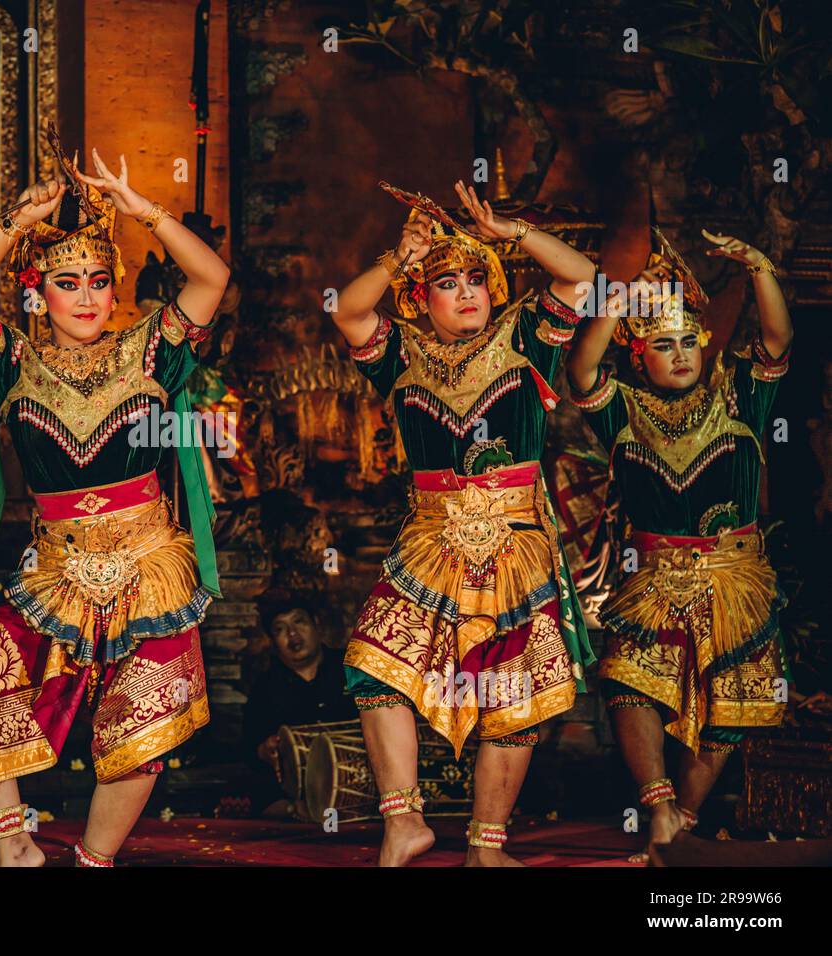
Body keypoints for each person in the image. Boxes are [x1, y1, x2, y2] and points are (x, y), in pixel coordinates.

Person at [0, 138, 229, 867]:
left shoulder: (153, 349)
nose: (89, 295)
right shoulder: (13, 363)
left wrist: (142, 210)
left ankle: (93, 862)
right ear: (40, 291)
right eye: (69, 282)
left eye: (100, 279)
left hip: (150, 568)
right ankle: (13, 846)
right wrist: (13, 220)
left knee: (143, 720)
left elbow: (212, 278)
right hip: (59, 571)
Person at [329, 182, 595, 866]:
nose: (468, 292)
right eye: (448, 282)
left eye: (478, 278)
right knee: (375, 666)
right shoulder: (400, 354)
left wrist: (510, 231)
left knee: (513, 691)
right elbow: (348, 309)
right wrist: (399, 257)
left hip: (515, 542)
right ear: (423, 296)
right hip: (429, 541)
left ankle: (486, 845)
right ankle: (403, 823)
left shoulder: (529, 340)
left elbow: (582, 275)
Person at [566, 228, 791, 846]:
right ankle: (657, 801)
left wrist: (758, 263)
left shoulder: (739, 399)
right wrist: (618, 302)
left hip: (736, 577)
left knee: (732, 699)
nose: (682, 353)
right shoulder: (623, 411)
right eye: (664, 345)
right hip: (655, 579)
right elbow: (581, 368)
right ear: (640, 358)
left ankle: (681, 824)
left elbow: (776, 340)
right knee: (629, 676)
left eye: (689, 341)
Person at [243, 590, 357, 818]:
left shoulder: (351, 668)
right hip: (300, 804)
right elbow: (249, 753)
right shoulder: (264, 689)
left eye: (299, 622)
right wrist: (264, 750)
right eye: (280, 629)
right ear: (272, 641)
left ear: (316, 624)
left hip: (359, 787)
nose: (292, 634)